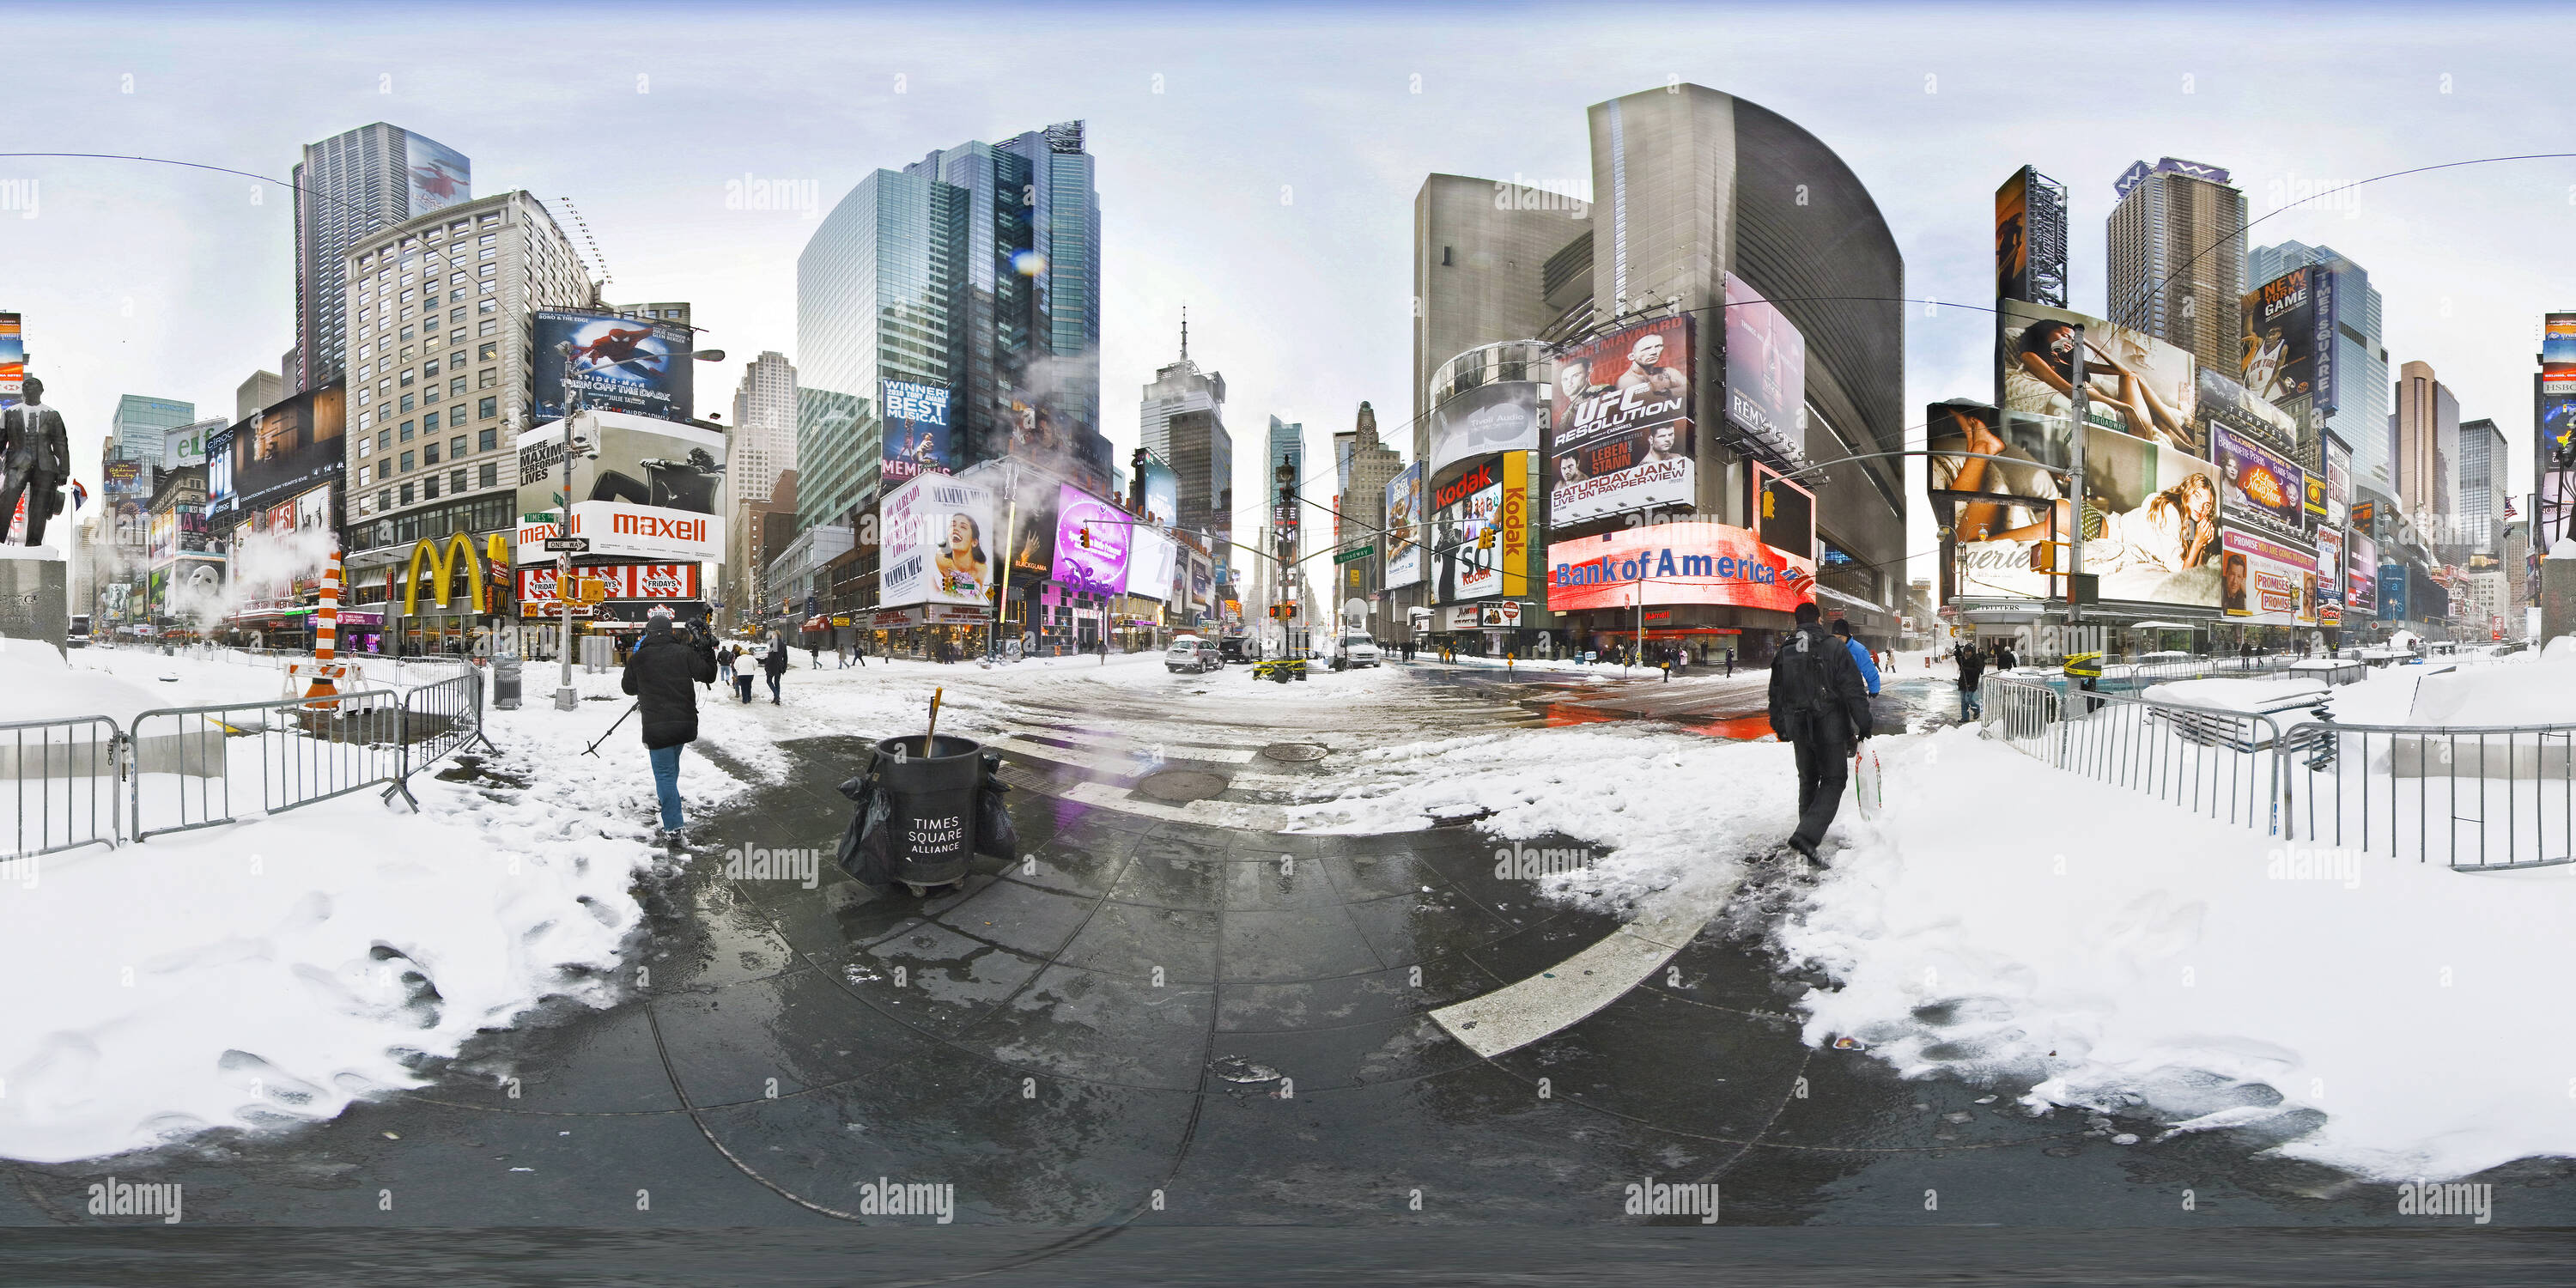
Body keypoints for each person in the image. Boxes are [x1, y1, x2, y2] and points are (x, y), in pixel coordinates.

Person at [1767, 602, 1874, 865]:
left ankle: (1806, 831)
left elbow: (1775, 693)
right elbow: (1853, 689)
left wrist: (1780, 725)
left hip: (1798, 725)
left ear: (1796, 622)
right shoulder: (1834, 647)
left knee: (1808, 778)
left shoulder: (1786, 650)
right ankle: (1807, 835)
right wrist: (1865, 723)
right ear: (1820, 619)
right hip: (1830, 724)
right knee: (1834, 779)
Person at [619, 605, 717, 840]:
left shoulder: (640, 658)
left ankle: (673, 824)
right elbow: (709, 674)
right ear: (670, 631)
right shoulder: (683, 653)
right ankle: (669, 798)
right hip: (684, 726)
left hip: (657, 728)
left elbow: (628, 688)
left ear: (648, 633)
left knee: (664, 774)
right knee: (670, 769)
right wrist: (706, 651)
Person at [1832, 619, 1880, 697]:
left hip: (1852, 694)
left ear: (1846, 636)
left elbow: (1869, 670)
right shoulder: (1829, 648)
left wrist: (1874, 689)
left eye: (1840, 637)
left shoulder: (1859, 650)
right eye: (1834, 637)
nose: (1837, 641)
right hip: (1832, 695)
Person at [1955, 641, 1987, 720]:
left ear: (1972, 652)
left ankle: (1977, 709)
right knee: (1963, 701)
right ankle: (1965, 717)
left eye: (1968, 652)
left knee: (1968, 699)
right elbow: (1960, 661)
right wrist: (1957, 653)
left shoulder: (1976, 659)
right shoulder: (1963, 658)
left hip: (1972, 683)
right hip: (1963, 681)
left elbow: (1977, 671)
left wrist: (1966, 669)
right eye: (1965, 652)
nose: (1967, 653)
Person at [761, 635, 789, 704]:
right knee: (777, 683)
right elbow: (785, 657)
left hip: (772, 666)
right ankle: (776, 699)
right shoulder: (783, 644)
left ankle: (777, 696)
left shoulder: (774, 643)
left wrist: (766, 665)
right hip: (779, 666)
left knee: (769, 681)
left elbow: (770, 656)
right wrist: (784, 667)